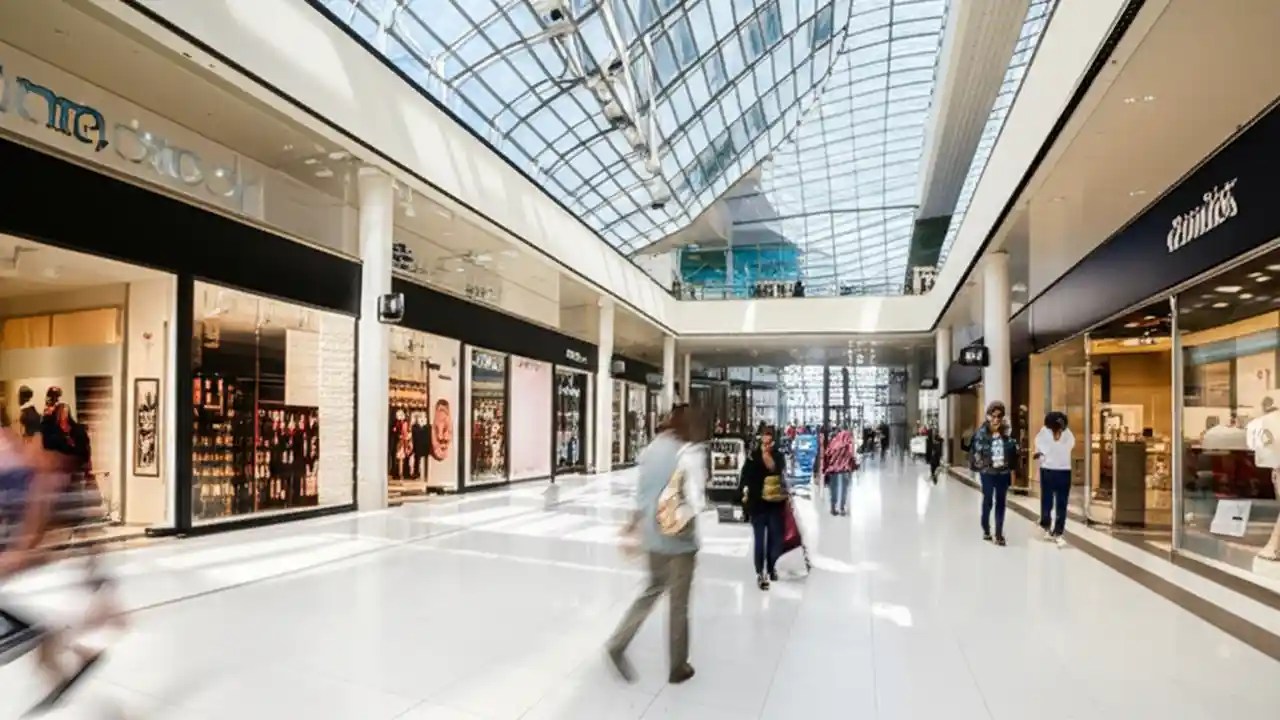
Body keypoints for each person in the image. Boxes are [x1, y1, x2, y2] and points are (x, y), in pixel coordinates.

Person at [606, 405, 706, 686]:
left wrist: (633, 524)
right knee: (678, 605)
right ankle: (678, 666)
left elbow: (642, 495)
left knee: (651, 591)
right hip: (679, 540)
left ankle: (617, 642)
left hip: (652, 535)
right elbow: (697, 501)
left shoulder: (651, 450)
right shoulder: (689, 453)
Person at [739, 425, 788, 590]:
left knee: (775, 540)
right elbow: (745, 476)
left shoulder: (778, 456)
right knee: (760, 539)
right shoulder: (753, 456)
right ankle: (761, 571)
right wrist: (744, 495)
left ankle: (771, 565)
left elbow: (778, 470)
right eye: (764, 436)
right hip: (758, 504)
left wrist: (768, 457)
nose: (766, 440)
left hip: (775, 503)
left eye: (769, 436)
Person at [969, 401, 1018, 546]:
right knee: (988, 500)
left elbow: (1013, 452)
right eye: (993, 416)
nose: (996, 419)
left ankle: (999, 533)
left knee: (1001, 502)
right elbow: (977, 454)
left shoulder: (1007, 433)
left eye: (999, 416)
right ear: (988, 416)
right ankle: (986, 528)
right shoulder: (981, 433)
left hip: (1003, 473)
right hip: (988, 473)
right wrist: (985, 463)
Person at [1034, 411, 1075, 546]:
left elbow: (1070, 446)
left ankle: (1058, 530)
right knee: (1047, 500)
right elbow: (1039, 447)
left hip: (1064, 470)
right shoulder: (1044, 432)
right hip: (1048, 470)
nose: (1057, 430)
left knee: (1062, 503)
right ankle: (1046, 524)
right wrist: (1042, 456)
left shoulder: (1067, 434)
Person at [822, 426, 855, 515]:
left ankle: (833, 507)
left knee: (833, 487)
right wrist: (852, 465)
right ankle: (842, 508)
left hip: (833, 468)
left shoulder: (833, 442)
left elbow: (827, 454)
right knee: (844, 488)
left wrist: (825, 468)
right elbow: (852, 454)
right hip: (845, 468)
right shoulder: (848, 442)